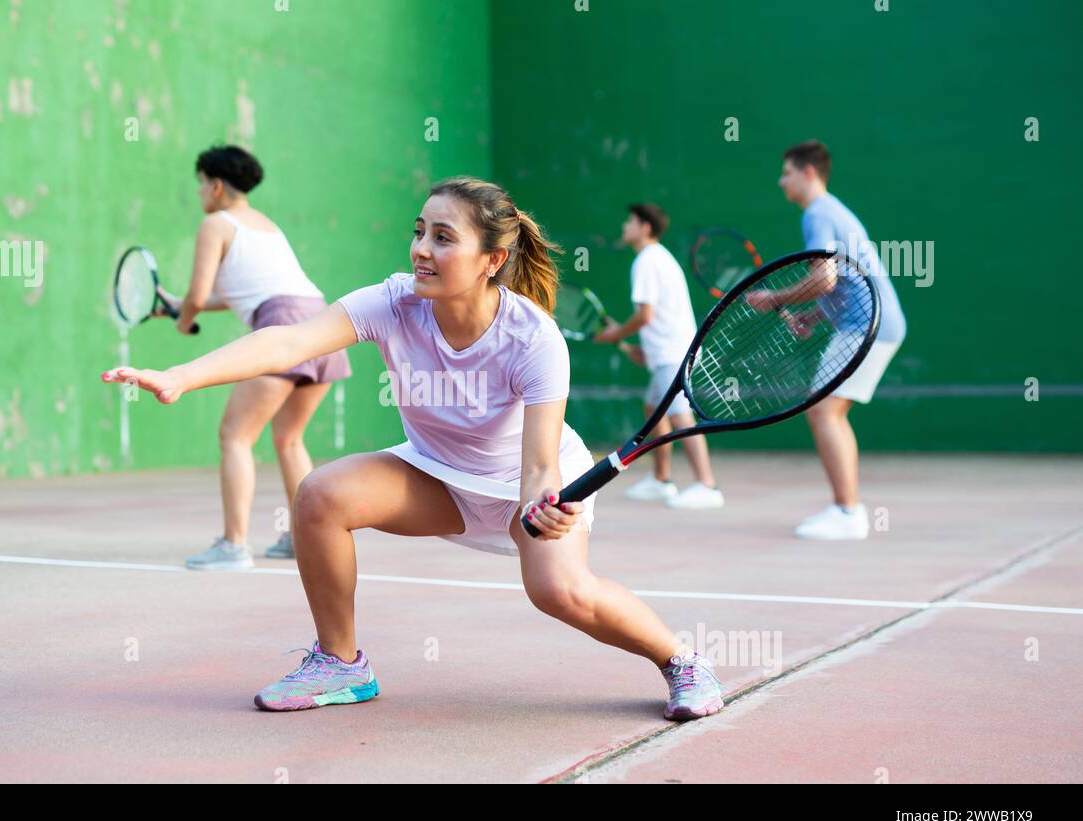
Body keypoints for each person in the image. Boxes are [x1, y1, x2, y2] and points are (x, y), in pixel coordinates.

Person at [102, 176, 725, 720]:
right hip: (438, 477)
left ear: (492, 259)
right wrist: (183, 375)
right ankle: (341, 664)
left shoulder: (533, 339)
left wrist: (545, 503)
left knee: (562, 594)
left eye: (444, 238)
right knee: (321, 495)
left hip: (524, 489)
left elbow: (538, 464)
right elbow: (288, 343)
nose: (422, 249)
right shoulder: (396, 302)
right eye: (420, 231)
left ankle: (681, 660)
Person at [162, 145, 350, 568]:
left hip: (281, 325)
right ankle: (305, 538)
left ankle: (233, 545)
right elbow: (237, 294)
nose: (199, 195)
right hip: (321, 324)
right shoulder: (266, 226)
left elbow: (198, 294)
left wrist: (182, 317)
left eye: (200, 186)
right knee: (289, 438)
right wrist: (178, 305)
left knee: (235, 435)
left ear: (214, 185)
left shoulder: (215, 224)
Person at [764, 141, 907, 540]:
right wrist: (812, 315)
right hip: (870, 322)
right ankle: (847, 509)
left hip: (867, 326)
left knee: (824, 412)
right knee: (828, 411)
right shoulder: (835, 211)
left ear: (808, 173)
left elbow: (824, 279)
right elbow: (842, 280)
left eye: (786, 172)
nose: (781, 181)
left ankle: (848, 512)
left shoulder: (817, 214)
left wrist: (774, 298)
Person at [595, 204, 722, 509]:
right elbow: (659, 315)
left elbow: (645, 314)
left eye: (630, 222)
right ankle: (662, 480)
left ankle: (707, 485)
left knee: (680, 416)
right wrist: (644, 349)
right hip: (669, 350)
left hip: (673, 354)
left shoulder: (647, 261)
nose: (625, 226)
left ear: (645, 228)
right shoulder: (658, 258)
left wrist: (617, 334)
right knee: (654, 407)